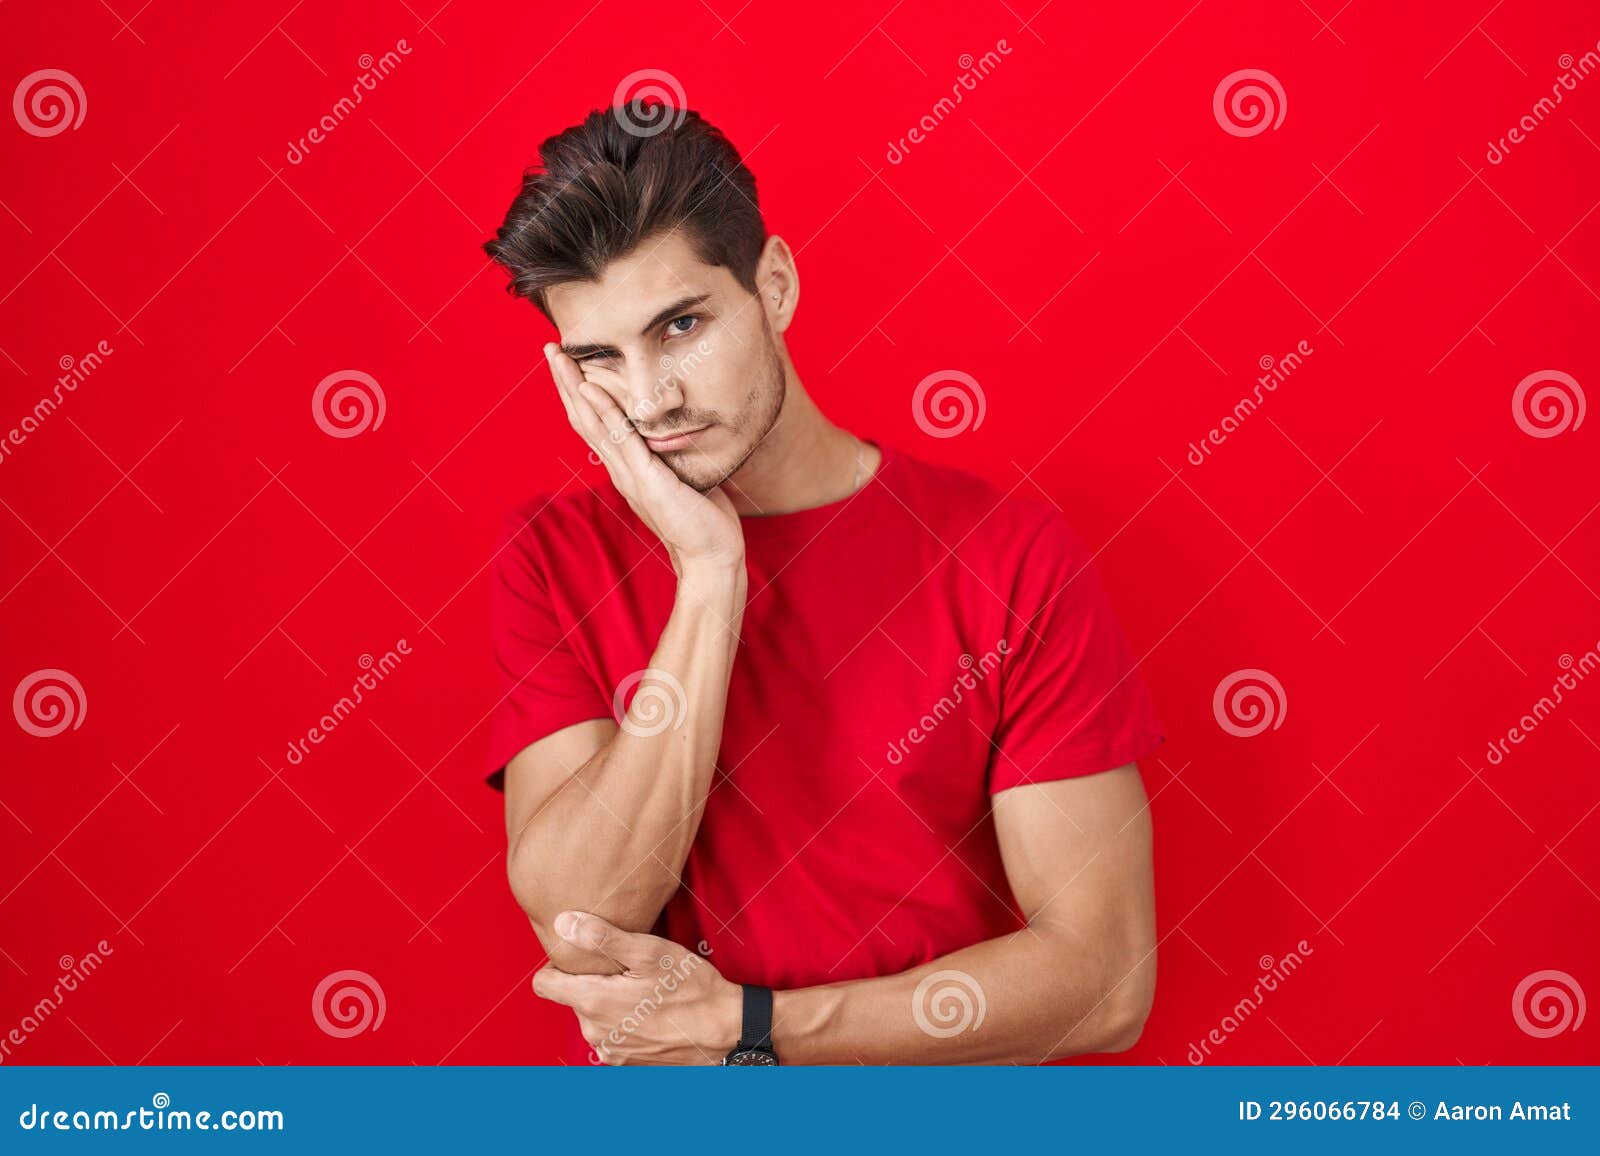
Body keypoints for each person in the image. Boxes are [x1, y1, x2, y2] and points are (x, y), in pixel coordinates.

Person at [480, 101, 1165, 1065]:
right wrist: (712, 577)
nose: (649, 401)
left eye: (680, 327)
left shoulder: (1006, 552)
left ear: (776, 282)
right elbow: (582, 919)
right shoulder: (554, 556)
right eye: (600, 359)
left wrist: (753, 1031)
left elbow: (1104, 983)